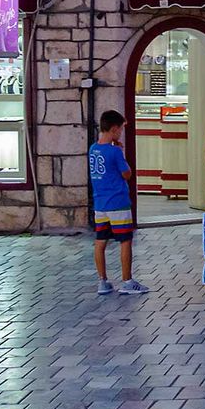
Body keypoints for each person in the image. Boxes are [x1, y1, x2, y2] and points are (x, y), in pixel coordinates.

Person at [89, 110, 147, 295]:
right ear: (114, 129)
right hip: (118, 203)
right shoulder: (115, 152)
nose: (121, 133)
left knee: (100, 241)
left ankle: (102, 280)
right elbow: (126, 173)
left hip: (100, 204)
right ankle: (127, 280)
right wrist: (120, 151)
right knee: (125, 241)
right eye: (121, 129)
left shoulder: (93, 149)